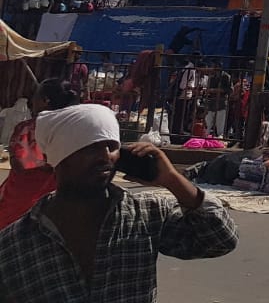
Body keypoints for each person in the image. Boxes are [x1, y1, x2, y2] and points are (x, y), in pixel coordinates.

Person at [0, 103, 238, 302]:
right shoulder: (15, 244)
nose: (105, 156)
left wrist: (173, 180)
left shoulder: (148, 214)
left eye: (112, 147)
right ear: (60, 158)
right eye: (90, 148)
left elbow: (219, 240)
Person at [0, 79, 79, 230]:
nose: (32, 102)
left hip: (22, 198)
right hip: (58, 200)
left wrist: (12, 153)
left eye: (35, 97)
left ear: (44, 101)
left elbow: (20, 164)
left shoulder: (28, 128)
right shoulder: (74, 129)